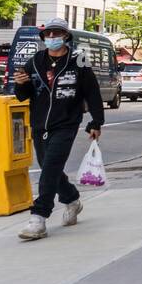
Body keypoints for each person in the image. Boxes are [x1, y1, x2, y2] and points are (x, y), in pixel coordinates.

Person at [12, 17, 104, 241]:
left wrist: (96, 122)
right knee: (49, 169)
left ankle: (39, 217)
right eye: (49, 34)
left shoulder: (78, 61)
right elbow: (22, 95)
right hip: (40, 124)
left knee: (50, 167)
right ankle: (72, 199)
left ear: (66, 37)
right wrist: (20, 83)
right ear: (44, 37)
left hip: (66, 123)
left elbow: (92, 92)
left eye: (57, 34)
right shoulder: (34, 62)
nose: (52, 38)